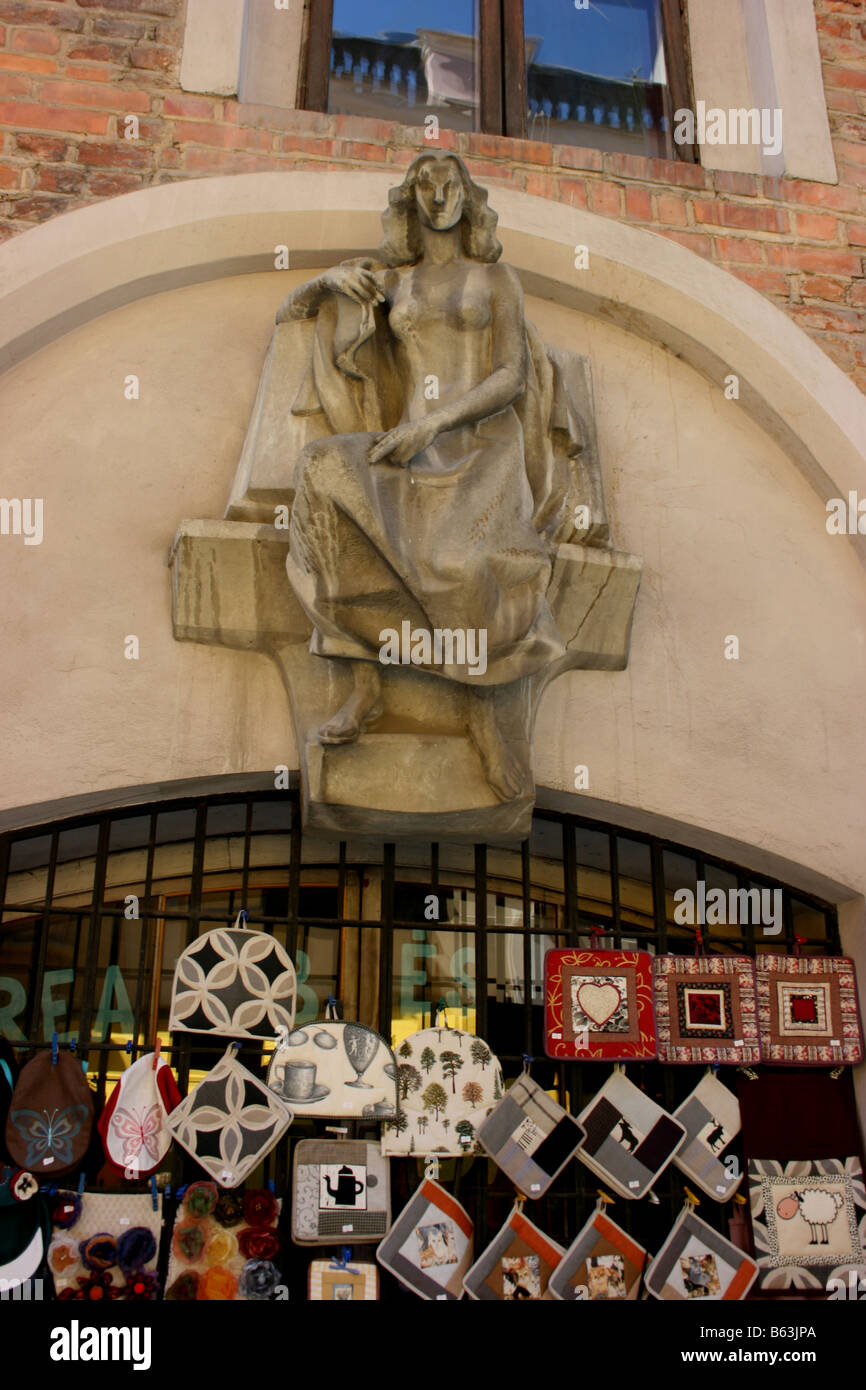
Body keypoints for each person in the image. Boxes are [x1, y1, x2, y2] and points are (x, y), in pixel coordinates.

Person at [276, 154, 571, 801]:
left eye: (451, 184)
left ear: (468, 197)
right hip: (405, 451)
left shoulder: (496, 278)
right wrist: (328, 279)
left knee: (459, 567)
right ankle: (365, 686)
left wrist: (433, 424)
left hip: (479, 446)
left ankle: (487, 712)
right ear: (411, 200)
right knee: (322, 478)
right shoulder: (393, 281)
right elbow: (289, 312)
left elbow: (511, 376)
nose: (439, 196)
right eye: (426, 185)